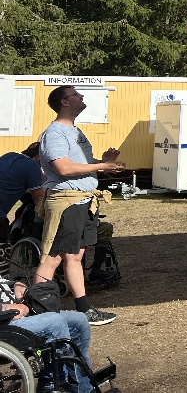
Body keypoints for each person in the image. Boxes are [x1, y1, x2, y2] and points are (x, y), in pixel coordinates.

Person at [36, 86, 124, 326]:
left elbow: (78, 164)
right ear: (64, 102)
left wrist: (104, 162)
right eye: (76, 94)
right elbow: (64, 168)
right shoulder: (55, 133)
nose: (82, 97)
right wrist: (100, 167)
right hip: (67, 200)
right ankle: (40, 313)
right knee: (52, 257)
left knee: (75, 255)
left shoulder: (74, 131)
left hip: (82, 199)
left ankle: (83, 309)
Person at [0, 275, 94, 392]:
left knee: (79, 320)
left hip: (18, 314)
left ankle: (83, 388)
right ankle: (53, 384)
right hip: (5, 322)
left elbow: (3, 282)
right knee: (55, 322)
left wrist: (17, 285)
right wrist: (6, 307)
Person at [0, 142, 45, 243]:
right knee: (2, 246)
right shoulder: (32, 166)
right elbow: (39, 197)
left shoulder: (9, 156)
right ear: (38, 157)